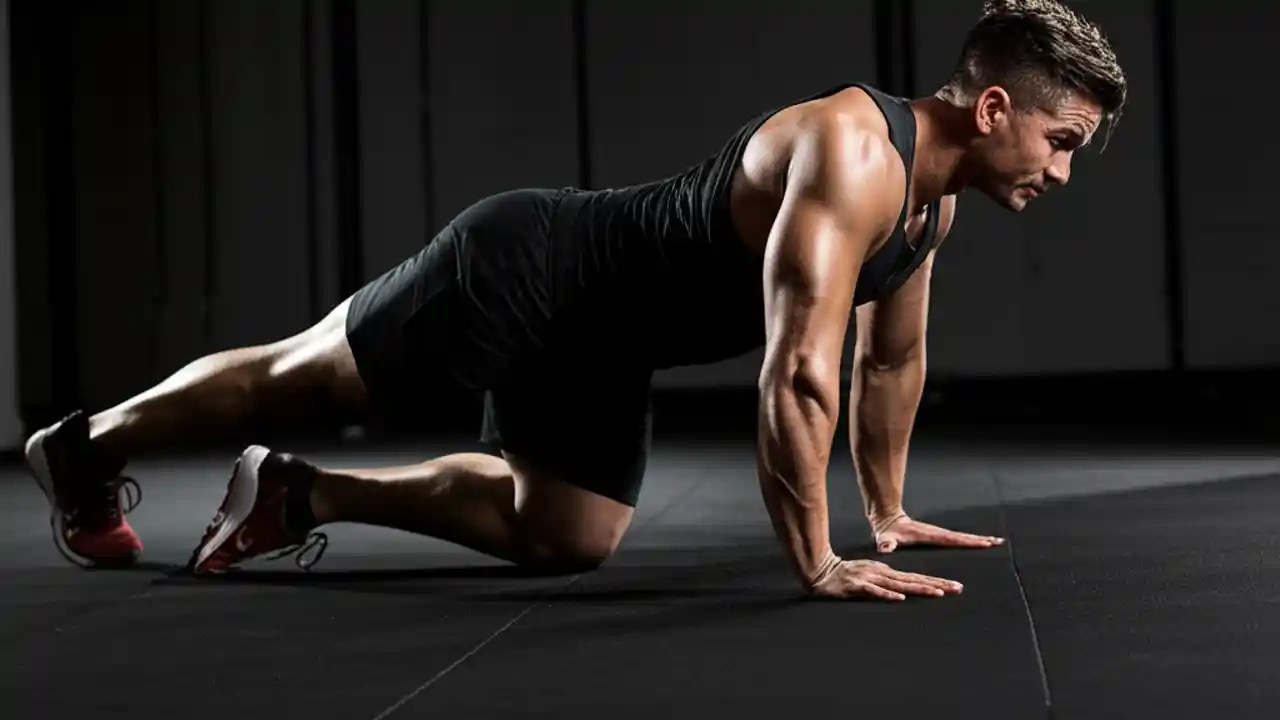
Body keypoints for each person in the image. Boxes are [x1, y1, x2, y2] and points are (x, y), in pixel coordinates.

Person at [24, 0, 1125, 601]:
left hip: (604, 341)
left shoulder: (930, 209)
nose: (1063, 173)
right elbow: (797, 370)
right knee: (290, 377)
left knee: (565, 535)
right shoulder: (853, 149)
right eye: (1061, 142)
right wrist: (818, 559)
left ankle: (295, 499)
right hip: (535, 264)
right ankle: (83, 443)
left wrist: (882, 512)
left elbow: (885, 364)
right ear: (991, 107)